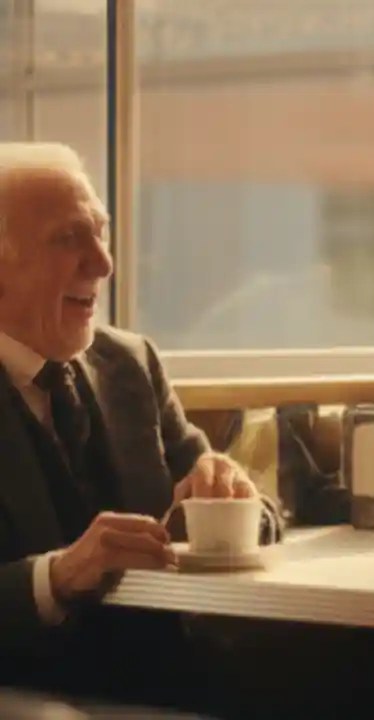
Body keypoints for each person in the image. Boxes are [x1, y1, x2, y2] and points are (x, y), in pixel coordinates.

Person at [0, 143, 279, 706]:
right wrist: (56, 577)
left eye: (100, 232)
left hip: (171, 681)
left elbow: (261, 519)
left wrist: (232, 496)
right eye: (68, 238)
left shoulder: (129, 363)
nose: (103, 263)